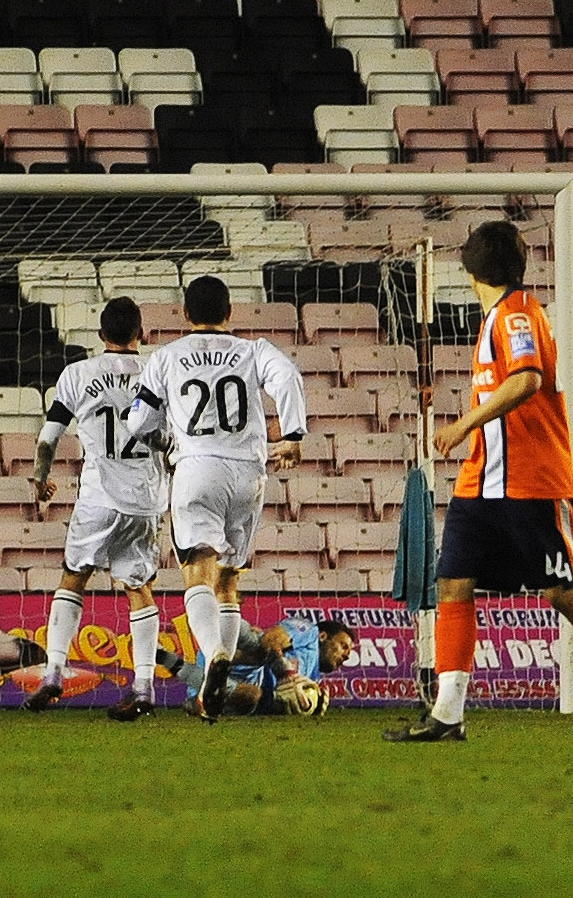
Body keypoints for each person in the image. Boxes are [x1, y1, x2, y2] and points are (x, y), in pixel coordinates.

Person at [387, 220, 573, 743]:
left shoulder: (516, 315)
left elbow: (528, 378)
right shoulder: (499, 315)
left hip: (532, 481)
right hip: (481, 483)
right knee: (453, 584)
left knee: (565, 597)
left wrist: (465, 423)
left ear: (471, 269)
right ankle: (448, 713)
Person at [125, 274, 308, 722]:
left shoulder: (166, 356)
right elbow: (287, 375)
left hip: (197, 469)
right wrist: (294, 432)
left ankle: (214, 659)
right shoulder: (252, 350)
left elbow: (136, 422)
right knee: (228, 580)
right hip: (249, 473)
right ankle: (217, 677)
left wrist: (165, 439)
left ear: (185, 315)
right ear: (230, 313)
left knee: (197, 575)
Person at [20, 296, 170, 720]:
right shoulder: (157, 373)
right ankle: (143, 687)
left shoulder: (77, 375)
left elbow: (47, 439)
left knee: (73, 579)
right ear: (141, 333)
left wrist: (40, 478)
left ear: (101, 335)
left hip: (97, 499)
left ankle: (52, 674)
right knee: (139, 589)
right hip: (144, 500)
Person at [162, 616, 356, 717]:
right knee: (260, 647)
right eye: (344, 646)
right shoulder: (309, 631)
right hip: (236, 661)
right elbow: (271, 639)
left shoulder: (313, 679)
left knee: (251, 697)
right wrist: (286, 674)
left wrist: (308, 708)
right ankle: (223, 625)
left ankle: (197, 700)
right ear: (324, 636)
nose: (346, 655)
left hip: (240, 691)